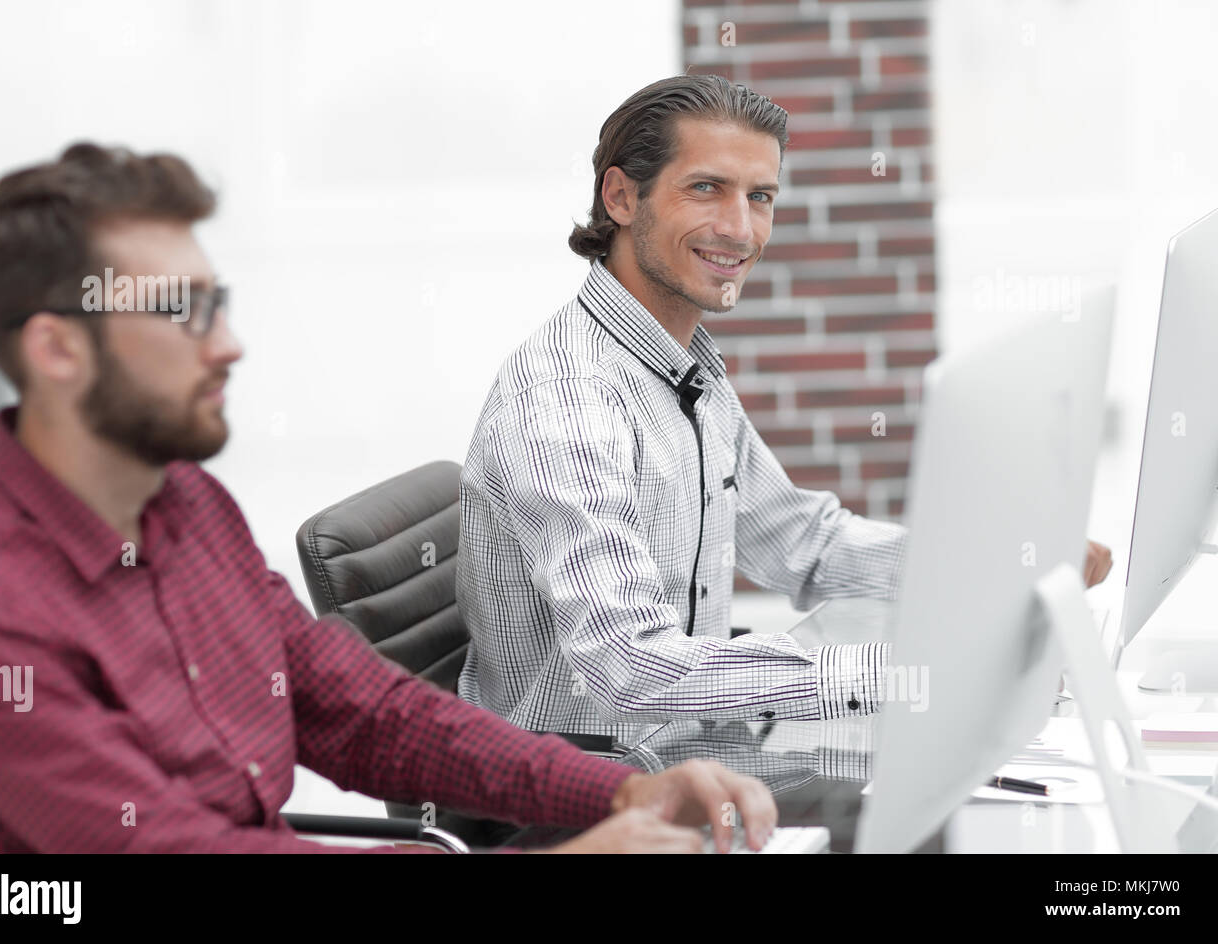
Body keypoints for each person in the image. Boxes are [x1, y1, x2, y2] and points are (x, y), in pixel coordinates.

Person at [0, 142, 778, 854]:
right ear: (58, 351)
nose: (229, 346)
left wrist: (626, 792)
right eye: (183, 312)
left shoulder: (186, 507)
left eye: (218, 304)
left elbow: (364, 713)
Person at [455, 74, 1114, 739]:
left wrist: (996, 563)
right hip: (588, 802)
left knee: (974, 774)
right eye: (706, 188)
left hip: (694, 755)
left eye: (760, 196)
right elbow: (633, 668)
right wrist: (897, 676)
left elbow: (803, 544)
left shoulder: (680, 368)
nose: (740, 230)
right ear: (622, 197)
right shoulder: (569, 404)